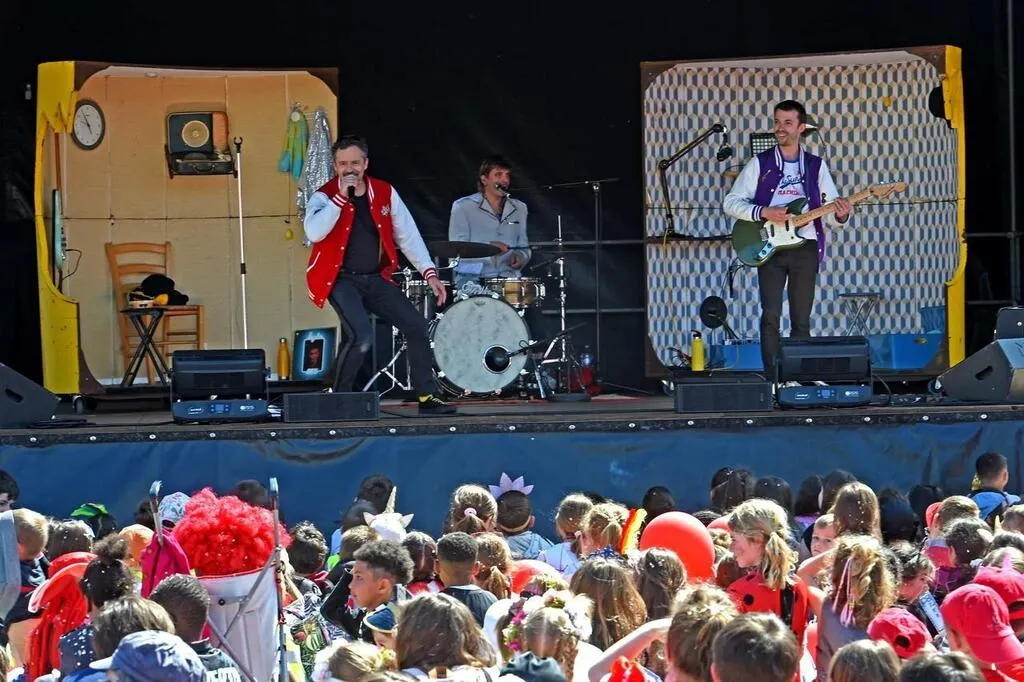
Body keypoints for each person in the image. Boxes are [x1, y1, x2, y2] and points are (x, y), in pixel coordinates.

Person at [303, 134, 455, 415]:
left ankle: (427, 396)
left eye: (355, 163)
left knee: (416, 326)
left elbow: (407, 235)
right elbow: (314, 232)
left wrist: (429, 273)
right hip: (340, 279)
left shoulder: (384, 192)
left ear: (365, 163)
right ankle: (339, 399)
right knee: (361, 336)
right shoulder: (324, 196)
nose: (349, 169)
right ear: (335, 166)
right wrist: (340, 198)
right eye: (342, 164)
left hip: (375, 277)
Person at [723, 100, 852, 379]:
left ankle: (798, 378)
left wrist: (841, 215)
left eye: (788, 123)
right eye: (777, 122)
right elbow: (730, 202)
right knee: (770, 315)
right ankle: (772, 379)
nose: (780, 128)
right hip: (769, 247)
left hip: (805, 247)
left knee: (801, 318)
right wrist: (763, 212)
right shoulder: (760, 163)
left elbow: (830, 213)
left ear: (801, 128)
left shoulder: (816, 166)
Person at [448, 155, 531, 287]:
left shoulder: (520, 208)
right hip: (472, 281)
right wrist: (489, 249)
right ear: (484, 179)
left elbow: (524, 247)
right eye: (498, 174)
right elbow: (455, 252)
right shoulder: (463, 206)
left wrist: (520, 257)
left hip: (508, 281)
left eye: (507, 175)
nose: (505, 180)